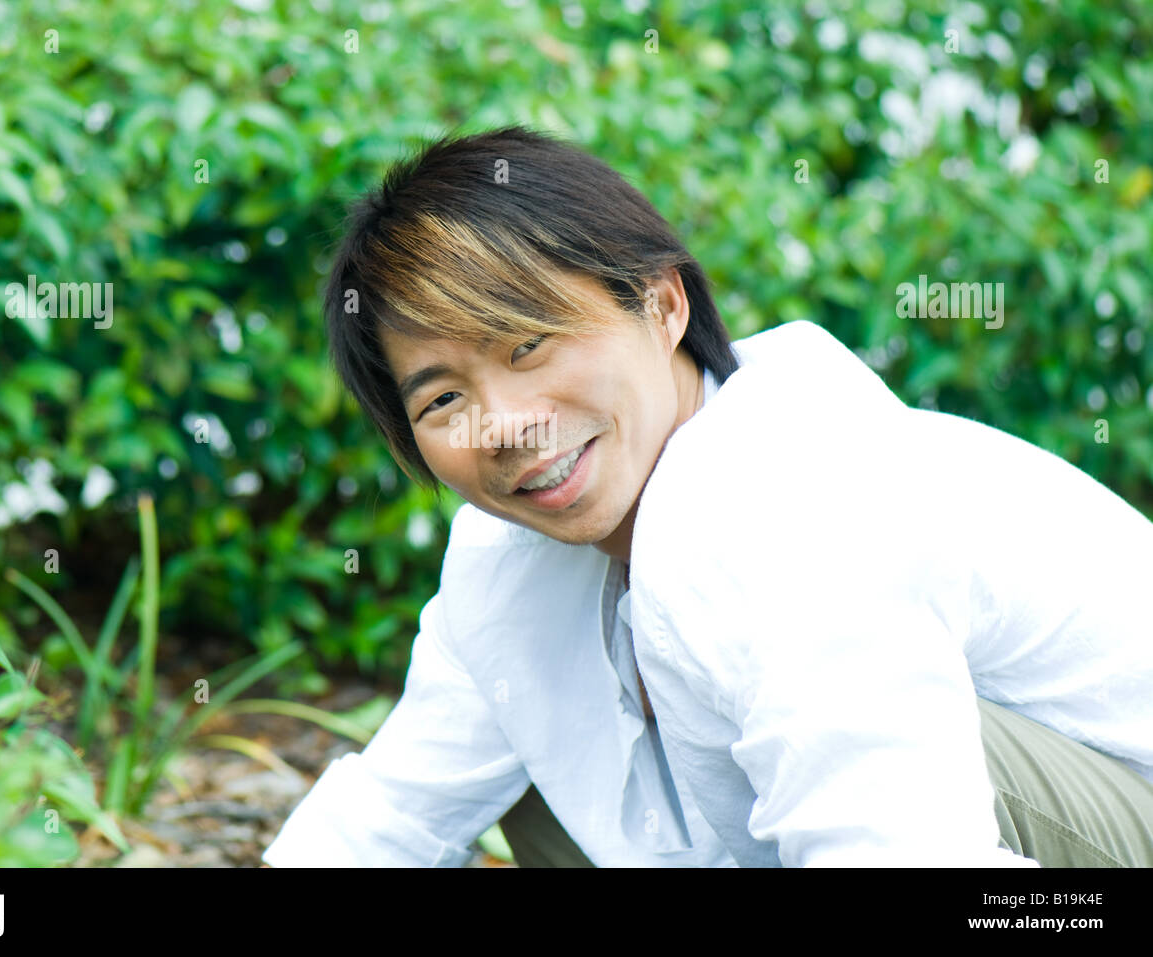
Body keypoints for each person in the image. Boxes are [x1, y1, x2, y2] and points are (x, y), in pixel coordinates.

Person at [262, 125, 1153, 867]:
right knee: (535, 753)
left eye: (527, 343)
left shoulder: (789, 501)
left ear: (662, 304)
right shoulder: (507, 567)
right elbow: (388, 819)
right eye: (444, 398)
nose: (505, 424)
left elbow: (901, 852)